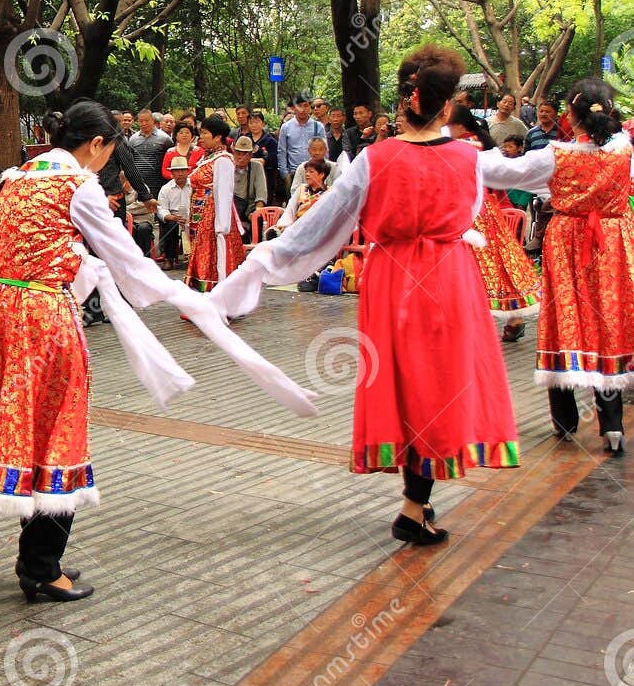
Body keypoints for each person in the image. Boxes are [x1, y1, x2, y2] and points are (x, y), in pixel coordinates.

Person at [0, 100, 314, 604]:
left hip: (2, 321)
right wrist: (191, 297)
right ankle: (41, 565)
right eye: (110, 152)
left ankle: (38, 557)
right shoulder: (77, 186)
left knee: (29, 426)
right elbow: (129, 262)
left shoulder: (20, 177)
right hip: (44, 321)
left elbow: (34, 247)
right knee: (61, 428)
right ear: (97, 144)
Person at [214, 45, 521, 546]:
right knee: (442, 385)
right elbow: (531, 171)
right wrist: (604, 149)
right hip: (451, 278)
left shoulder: (371, 160)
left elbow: (318, 226)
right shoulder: (472, 159)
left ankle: (414, 503)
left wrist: (258, 264)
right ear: (446, 108)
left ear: (403, 102)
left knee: (405, 384)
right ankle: (414, 504)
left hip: (392, 280)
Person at [481, 80, 634, 455]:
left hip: (570, 240)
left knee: (567, 318)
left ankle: (565, 420)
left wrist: (468, 149)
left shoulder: (554, 155)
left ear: (570, 117)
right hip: (614, 240)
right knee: (606, 320)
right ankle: (612, 426)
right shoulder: (624, 150)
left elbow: (501, 174)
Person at [448, 104, 540, 344]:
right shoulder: (483, 145)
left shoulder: (458, 147)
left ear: (458, 126)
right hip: (486, 210)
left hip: (464, 213)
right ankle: (514, 319)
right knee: (501, 264)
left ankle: (470, 322)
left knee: (474, 266)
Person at [186, 116, 245, 293]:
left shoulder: (223, 160)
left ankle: (219, 297)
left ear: (217, 137)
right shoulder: (207, 159)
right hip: (202, 217)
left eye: (204, 133)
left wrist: (222, 227)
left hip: (214, 219)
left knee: (216, 256)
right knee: (203, 255)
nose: (201, 137)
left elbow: (224, 194)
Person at [277, 93, 322, 191]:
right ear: (294, 108)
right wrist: (285, 174)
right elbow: (282, 151)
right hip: (293, 173)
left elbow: (324, 151)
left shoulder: (318, 127)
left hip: (314, 172)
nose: (302, 109)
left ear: (310, 107)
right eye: (299, 106)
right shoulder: (286, 127)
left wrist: (322, 171)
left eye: (306, 106)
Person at [273, 160, 330, 233]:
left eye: (311, 172)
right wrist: (283, 225)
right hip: (298, 227)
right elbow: (290, 210)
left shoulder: (329, 192)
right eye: (306, 171)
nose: (307, 174)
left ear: (322, 174)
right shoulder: (301, 189)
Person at [154, 156, 192, 268]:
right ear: (172, 173)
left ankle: (195, 258)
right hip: (174, 218)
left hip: (192, 217)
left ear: (187, 171)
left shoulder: (194, 185)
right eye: (177, 171)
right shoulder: (166, 189)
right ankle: (169, 258)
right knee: (170, 225)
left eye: (182, 170)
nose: (180, 173)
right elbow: (161, 208)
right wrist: (170, 217)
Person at [127, 109, 170, 200]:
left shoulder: (164, 138)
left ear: (153, 121)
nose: (144, 123)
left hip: (157, 183)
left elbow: (168, 161)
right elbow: (130, 161)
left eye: (146, 120)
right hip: (138, 184)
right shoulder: (133, 139)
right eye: (141, 121)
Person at [229, 135, 268, 223]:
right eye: (238, 153)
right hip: (229, 207)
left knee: (258, 218)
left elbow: (261, 193)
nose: (240, 157)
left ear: (251, 155)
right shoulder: (228, 166)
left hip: (248, 207)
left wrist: (257, 211)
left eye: (245, 154)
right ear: (233, 153)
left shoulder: (256, 167)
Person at [243, 111, 278, 202]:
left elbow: (268, 159)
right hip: (246, 176)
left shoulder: (270, 140)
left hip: (266, 175)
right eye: (251, 123)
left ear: (263, 123)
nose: (254, 125)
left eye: (257, 122)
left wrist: (249, 160)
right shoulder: (244, 139)